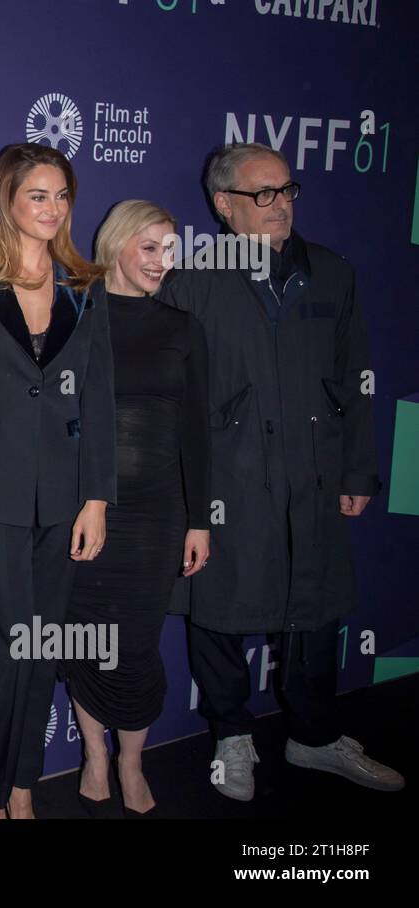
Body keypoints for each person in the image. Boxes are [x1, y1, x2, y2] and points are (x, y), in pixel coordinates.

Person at [155, 142, 404, 799]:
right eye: (262, 194)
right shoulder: (194, 281)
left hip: (315, 476)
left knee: (316, 606)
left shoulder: (332, 273)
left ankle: (314, 737)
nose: (280, 205)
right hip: (229, 481)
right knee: (217, 606)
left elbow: (356, 380)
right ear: (223, 205)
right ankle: (232, 737)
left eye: (287, 190)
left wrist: (358, 473)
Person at [0, 142, 117, 819]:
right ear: (6, 202)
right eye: (37, 196)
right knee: (6, 643)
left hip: (64, 493)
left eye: (61, 196)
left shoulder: (84, 283)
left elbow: (100, 396)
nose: (52, 209)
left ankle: (22, 781)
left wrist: (97, 496)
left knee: (41, 641)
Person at [62, 200, 210, 817]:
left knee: (138, 643)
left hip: (156, 516)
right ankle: (94, 754)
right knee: (84, 634)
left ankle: (131, 759)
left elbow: (197, 432)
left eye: (169, 249)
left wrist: (199, 518)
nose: (161, 261)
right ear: (117, 244)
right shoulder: (74, 313)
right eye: (148, 247)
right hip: (82, 507)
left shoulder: (182, 328)